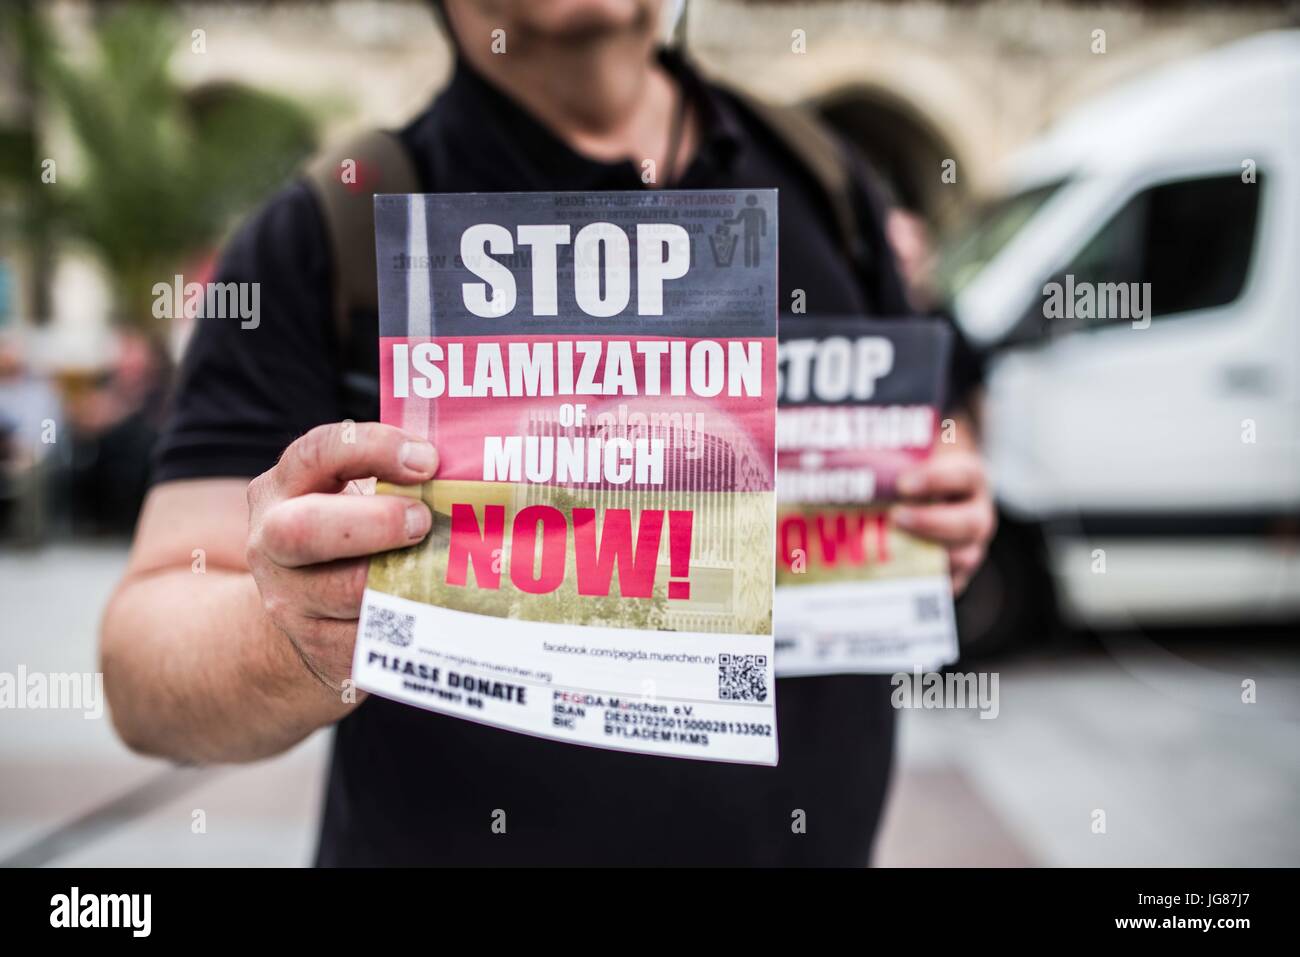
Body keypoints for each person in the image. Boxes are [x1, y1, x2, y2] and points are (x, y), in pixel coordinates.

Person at [101, 0, 995, 866]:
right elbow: (142, 669)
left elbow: (938, 423)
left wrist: (944, 504)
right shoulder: (325, 232)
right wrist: (289, 633)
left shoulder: (827, 179)